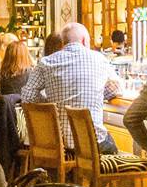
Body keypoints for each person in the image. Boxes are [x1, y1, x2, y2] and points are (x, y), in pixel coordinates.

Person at [21, 21, 120, 153]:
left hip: (58, 145)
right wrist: (97, 92)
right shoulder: (99, 59)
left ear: (63, 42)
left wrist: (51, 103)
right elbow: (117, 89)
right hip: (92, 145)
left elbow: (27, 95)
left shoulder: (46, 62)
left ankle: (71, 173)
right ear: (84, 41)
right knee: (114, 147)